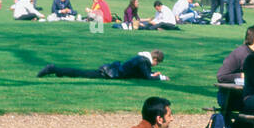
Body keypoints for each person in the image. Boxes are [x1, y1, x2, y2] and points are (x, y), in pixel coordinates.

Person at [38, 50, 169, 81]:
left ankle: (60, 71)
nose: (155, 65)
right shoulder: (144, 61)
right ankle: (54, 69)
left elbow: (142, 73)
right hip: (110, 73)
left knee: (81, 72)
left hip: (111, 69)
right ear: (155, 59)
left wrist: (152, 74)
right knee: (81, 73)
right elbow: (146, 76)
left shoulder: (141, 58)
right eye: (157, 63)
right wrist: (160, 77)